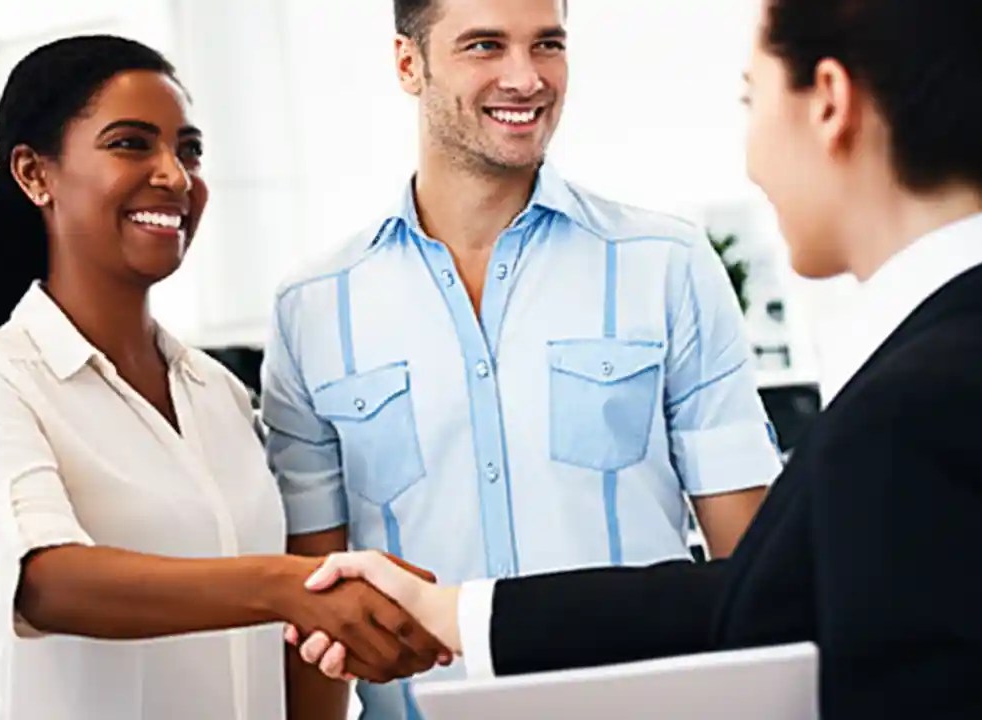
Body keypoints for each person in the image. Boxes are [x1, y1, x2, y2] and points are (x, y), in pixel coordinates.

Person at [293, 0, 982, 717]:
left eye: (749, 98)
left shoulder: (921, 410)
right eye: (484, 45)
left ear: (829, 103)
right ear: (409, 62)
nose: (751, 160)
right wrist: (459, 613)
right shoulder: (981, 373)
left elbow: (774, 609)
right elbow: (767, 597)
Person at [262, 0, 783, 715]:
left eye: (547, 45)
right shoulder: (313, 308)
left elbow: (754, 565)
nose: (526, 77)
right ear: (408, 64)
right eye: (484, 46)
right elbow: (318, 599)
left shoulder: (665, 265)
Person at [0, 35, 444, 720]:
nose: (174, 175)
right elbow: (43, 581)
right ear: (34, 173)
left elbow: (286, 632)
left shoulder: (217, 393)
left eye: (189, 151)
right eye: (132, 144)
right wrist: (286, 585)